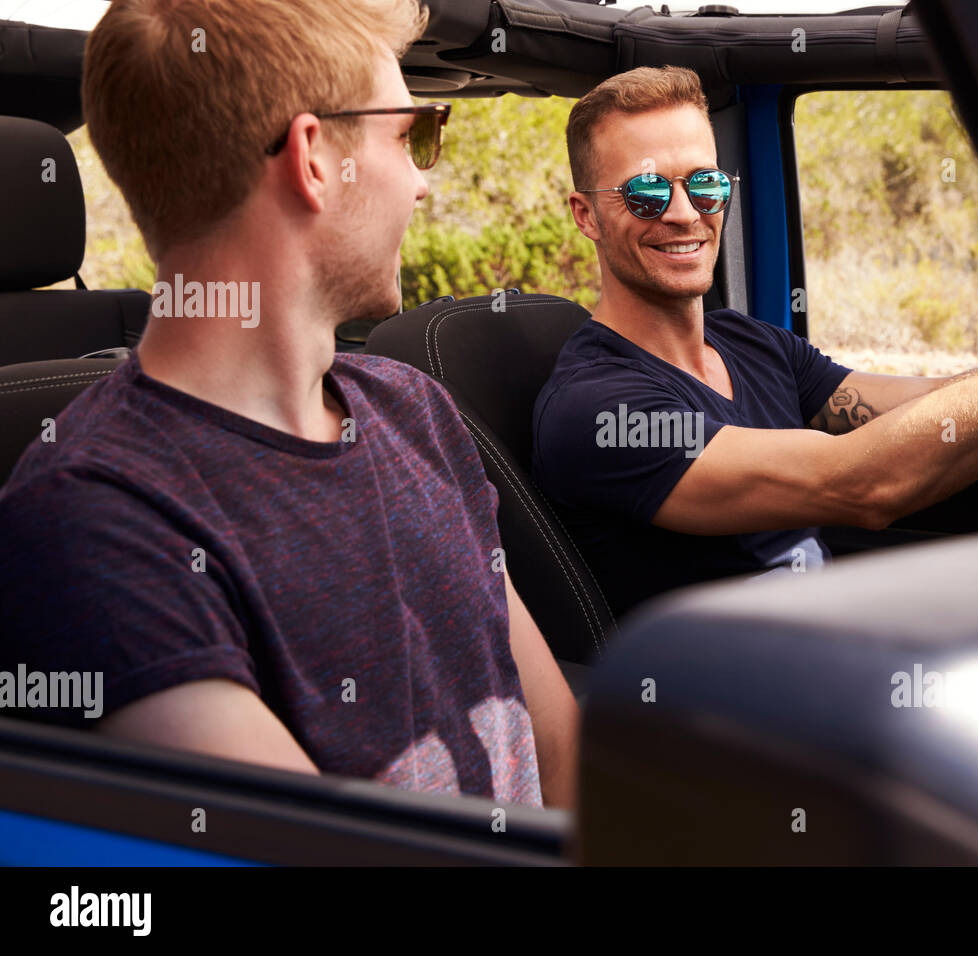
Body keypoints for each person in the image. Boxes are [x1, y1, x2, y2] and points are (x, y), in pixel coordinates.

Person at [0, 0, 576, 809]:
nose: (419, 182)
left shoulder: (416, 409)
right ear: (313, 159)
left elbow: (559, 745)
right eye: (410, 135)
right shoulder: (90, 520)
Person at [533, 66, 978, 619]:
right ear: (587, 215)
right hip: (731, 691)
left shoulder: (748, 341)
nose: (683, 213)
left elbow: (936, 405)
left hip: (823, 641)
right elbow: (864, 483)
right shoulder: (600, 410)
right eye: (645, 191)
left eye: (704, 184)